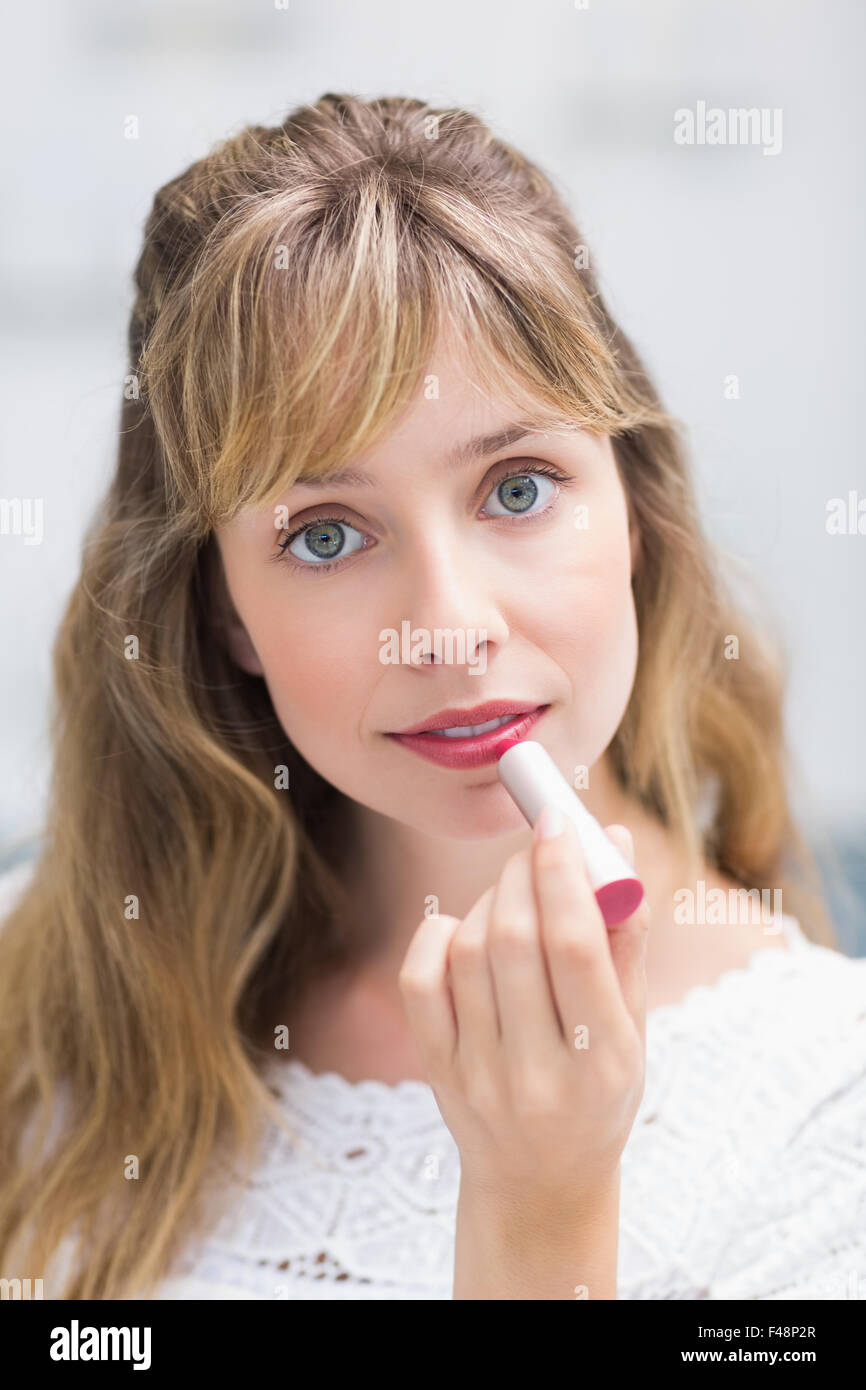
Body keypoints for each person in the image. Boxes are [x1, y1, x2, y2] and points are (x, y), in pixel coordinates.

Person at [0, 92, 863, 1301]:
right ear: (223, 614)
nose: (449, 628)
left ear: (633, 516)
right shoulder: (45, 973)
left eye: (516, 488)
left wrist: (540, 1211)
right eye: (326, 535)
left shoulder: (828, 1113)